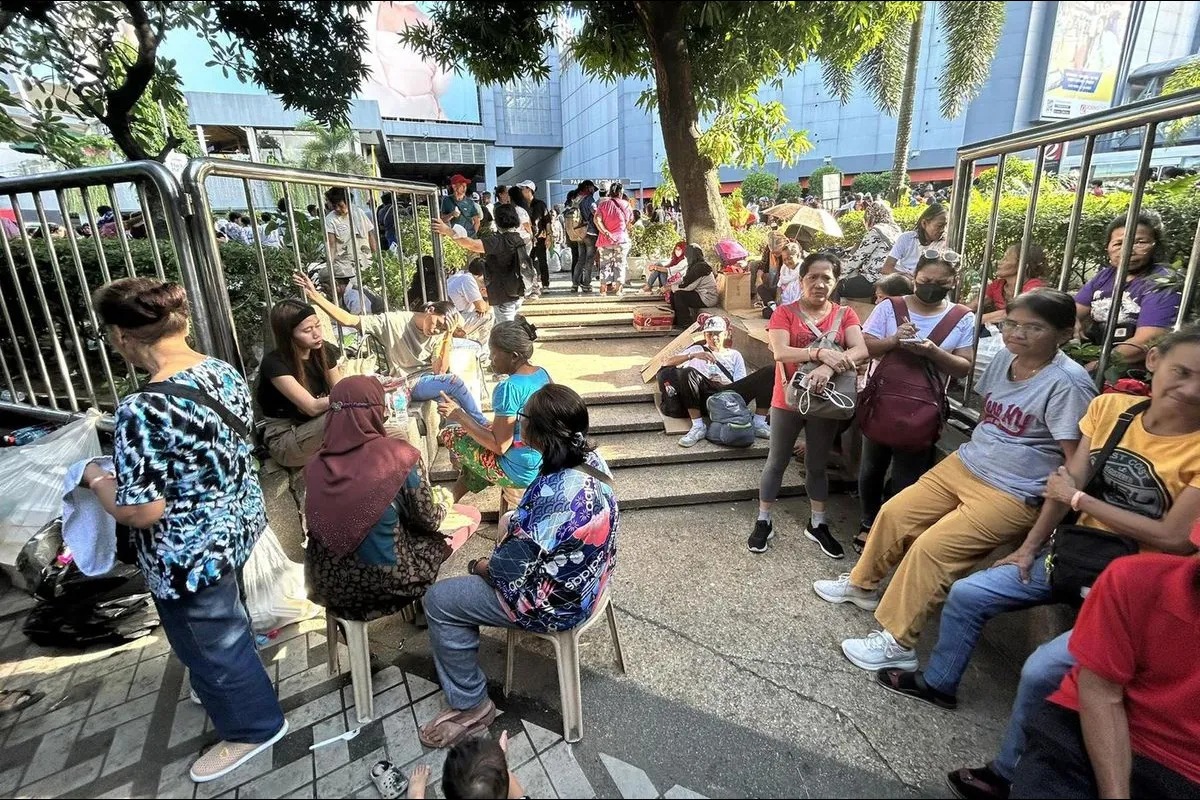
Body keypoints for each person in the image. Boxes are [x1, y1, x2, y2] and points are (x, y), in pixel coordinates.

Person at [924, 329, 1200, 800]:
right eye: (1182, 372)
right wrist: (1030, 546)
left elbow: (1174, 540)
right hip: (1073, 554)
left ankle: (1006, 772)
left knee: (1042, 669)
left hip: (1134, 588)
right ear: (1152, 361)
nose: (1191, 389)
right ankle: (937, 684)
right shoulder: (1112, 409)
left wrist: (1076, 496)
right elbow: (1063, 486)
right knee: (971, 593)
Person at [814, 289, 1096, 673]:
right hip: (966, 465)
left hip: (1013, 491)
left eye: (1034, 327)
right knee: (895, 511)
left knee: (932, 549)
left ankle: (899, 643)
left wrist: (1033, 542)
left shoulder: (1069, 384)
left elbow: (1074, 468)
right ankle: (863, 586)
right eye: (1012, 323)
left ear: (1064, 333)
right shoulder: (1002, 359)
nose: (1018, 333)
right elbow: (994, 418)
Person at [85, 277, 286, 783]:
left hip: (187, 551)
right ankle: (228, 676)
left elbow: (142, 511)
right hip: (236, 524)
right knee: (225, 622)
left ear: (121, 335)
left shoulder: (143, 408)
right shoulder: (222, 372)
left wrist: (94, 478)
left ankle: (254, 726)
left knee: (208, 640)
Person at [418, 385, 618, 749]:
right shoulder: (595, 461)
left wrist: (478, 565)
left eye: (522, 419)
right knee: (510, 518)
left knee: (439, 600)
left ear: (538, 434)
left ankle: (472, 706)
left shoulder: (551, 494)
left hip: (554, 604)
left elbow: (505, 573)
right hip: (593, 582)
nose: (516, 424)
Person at [1009, 546, 1200, 799]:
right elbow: (1101, 693)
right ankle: (1003, 770)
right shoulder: (1139, 578)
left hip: (1187, 772)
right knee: (1041, 668)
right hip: (1088, 732)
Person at [855, 250, 976, 551]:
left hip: (924, 408)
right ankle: (869, 521)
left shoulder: (962, 318)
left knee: (907, 476)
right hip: (884, 399)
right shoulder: (890, 308)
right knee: (871, 467)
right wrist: (894, 340)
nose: (932, 286)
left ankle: (892, 532)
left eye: (941, 282)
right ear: (914, 278)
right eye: (925, 280)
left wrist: (933, 352)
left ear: (953, 282)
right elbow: (866, 345)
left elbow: (963, 365)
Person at [750, 252, 868, 557]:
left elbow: (861, 349)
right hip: (788, 399)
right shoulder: (785, 313)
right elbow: (780, 351)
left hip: (826, 402)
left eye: (826, 278)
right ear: (802, 280)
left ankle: (817, 523)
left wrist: (829, 367)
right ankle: (764, 519)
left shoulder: (846, 315)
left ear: (836, 281)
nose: (819, 283)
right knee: (777, 461)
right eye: (812, 277)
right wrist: (818, 355)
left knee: (816, 464)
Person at [304, 376, 449, 622]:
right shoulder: (399, 457)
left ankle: (356, 650)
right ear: (376, 411)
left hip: (327, 588)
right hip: (391, 584)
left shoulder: (313, 467)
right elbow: (428, 519)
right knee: (437, 540)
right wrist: (447, 501)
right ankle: (431, 613)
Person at [292, 273, 488, 426]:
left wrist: (447, 336)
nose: (436, 330)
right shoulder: (394, 321)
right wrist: (315, 296)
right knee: (454, 382)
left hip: (428, 380)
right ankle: (483, 423)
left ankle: (455, 446)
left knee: (452, 402)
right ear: (430, 310)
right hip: (405, 382)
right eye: (438, 324)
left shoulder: (439, 335)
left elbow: (440, 371)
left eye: (442, 329)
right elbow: (350, 320)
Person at [438, 319, 552, 503]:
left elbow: (500, 446)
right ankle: (451, 499)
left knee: (452, 434)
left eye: (493, 354)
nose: (491, 359)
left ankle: (450, 500)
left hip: (520, 470)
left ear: (514, 356)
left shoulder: (508, 388)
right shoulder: (541, 373)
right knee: (479, 441)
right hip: (542, 459)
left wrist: (458, 415)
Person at [1075, 212, 1181, 372]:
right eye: (1118, 244)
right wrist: (1071, 320)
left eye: (1139, 242)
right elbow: (1072, 311)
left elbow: (1146, 340)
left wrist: (1095, 366)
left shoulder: (1162, 282)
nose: (1128, 250)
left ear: (1155, 246)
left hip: (1130, 372)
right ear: (1108, 248)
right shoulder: (1105, 276)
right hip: (1095, 357)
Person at [256, 300, 343, 468]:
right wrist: (355, 395)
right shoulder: (274, 364)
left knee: (391, 433)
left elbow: (341, 388)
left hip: (318, 428)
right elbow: (312, 407)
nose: (317, 334)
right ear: (288, 334)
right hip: (286, 439)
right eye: (307, 330)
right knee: (348, 413)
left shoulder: (324, 351)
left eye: (318, 326)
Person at [665, 315, 773, 446]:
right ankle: (698, 426)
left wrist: (723, 382)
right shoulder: (696, 350)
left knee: (769, 371)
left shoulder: (734, 355)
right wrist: (692, 356)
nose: (714, 338)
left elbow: (741, 381)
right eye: (709, 334)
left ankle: (759, 423)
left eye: (717, 334)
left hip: (728, 394)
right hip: (705, 394)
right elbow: (667, 362)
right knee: (687, 373)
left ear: (725, 334)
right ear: (705, 335)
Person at [434, 204, 528, 323]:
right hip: (516, 290)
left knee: (506, 330)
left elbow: (472, 245)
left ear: (498, 220)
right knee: (507, 327)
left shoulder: (500, 241)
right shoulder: (517, 238)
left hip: (504, 295)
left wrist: (447, 230)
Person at [839, 201, 903, 300]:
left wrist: (838, 275)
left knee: (837, 287)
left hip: (873, 280)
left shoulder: (876, 231)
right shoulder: (896, 230)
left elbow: (858, 258)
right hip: (892, 279)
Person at [980, 244, 1048, 326]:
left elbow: (1015, 312)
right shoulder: (997, 285)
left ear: (1022, 265)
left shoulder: (1035, 287)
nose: (1000, 262)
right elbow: (975, 304)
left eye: (1006, 259)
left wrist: (975, 320)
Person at [325, 188, 378, 278]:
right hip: (346, 269)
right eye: (334, 206)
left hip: (366, 264)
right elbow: (331, 246)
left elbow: (370, 235)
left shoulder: (359, 213)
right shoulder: (330, 219)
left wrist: (376, 256)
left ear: (348, 202)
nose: (337, 209)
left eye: (340, 205)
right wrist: (329, 265)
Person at [881, 203, 948, 276]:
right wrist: (907, 278)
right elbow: (887, 268)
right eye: (939, 226)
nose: (943, 230)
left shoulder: (944, 244)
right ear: (924, 223)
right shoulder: (907, 239)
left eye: (945, 225)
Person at [595, 182, 633, 296]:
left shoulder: (603, 205)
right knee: (620, 264)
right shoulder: (626, 205)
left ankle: (603, 290)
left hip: (605, 240)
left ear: (610, 192)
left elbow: (597, 220)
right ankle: (618, 290)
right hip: (621, 239)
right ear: (621, 192)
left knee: (605, 264)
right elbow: (630, 221)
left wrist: (605, 231)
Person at [671, 244, 719, 329]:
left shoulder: (700, 268)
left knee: (679, 295)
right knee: (674, 294)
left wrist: (671, 287)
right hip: (700, 294)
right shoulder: (695, 266)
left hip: (707, 298)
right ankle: (677, 320)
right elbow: (685, 280)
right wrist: (672, 286)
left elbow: (688, 287)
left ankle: (685, 323)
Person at [446, 258, 492, 346]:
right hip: (453, 321)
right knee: (489, 316)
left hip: (451, 316)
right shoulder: (469, 280)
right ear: (482, 274)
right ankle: (483, 352)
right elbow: (482, 308)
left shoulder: (460, 275)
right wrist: (486, 300)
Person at [518, 180, 550, 292]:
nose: (521, 191)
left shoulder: (540, 204)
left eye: (523, 188)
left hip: (540, 237)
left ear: (529, 190)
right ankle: (529, 285)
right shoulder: (520, 205)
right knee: (527, 261)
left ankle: (545, 284)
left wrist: (549, 236)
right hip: (526, 238)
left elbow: (547, 220)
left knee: (542, 260)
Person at [574, 180, 599, 293]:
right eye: (593, 188)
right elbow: (595, 213)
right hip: (590, 232)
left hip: (580, 232)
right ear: (588, 188)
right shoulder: (590, 200)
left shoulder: (577, 199)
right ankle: (586, 284)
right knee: (589, 260)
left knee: (580, 259)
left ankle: (574, 284)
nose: (594, 190)